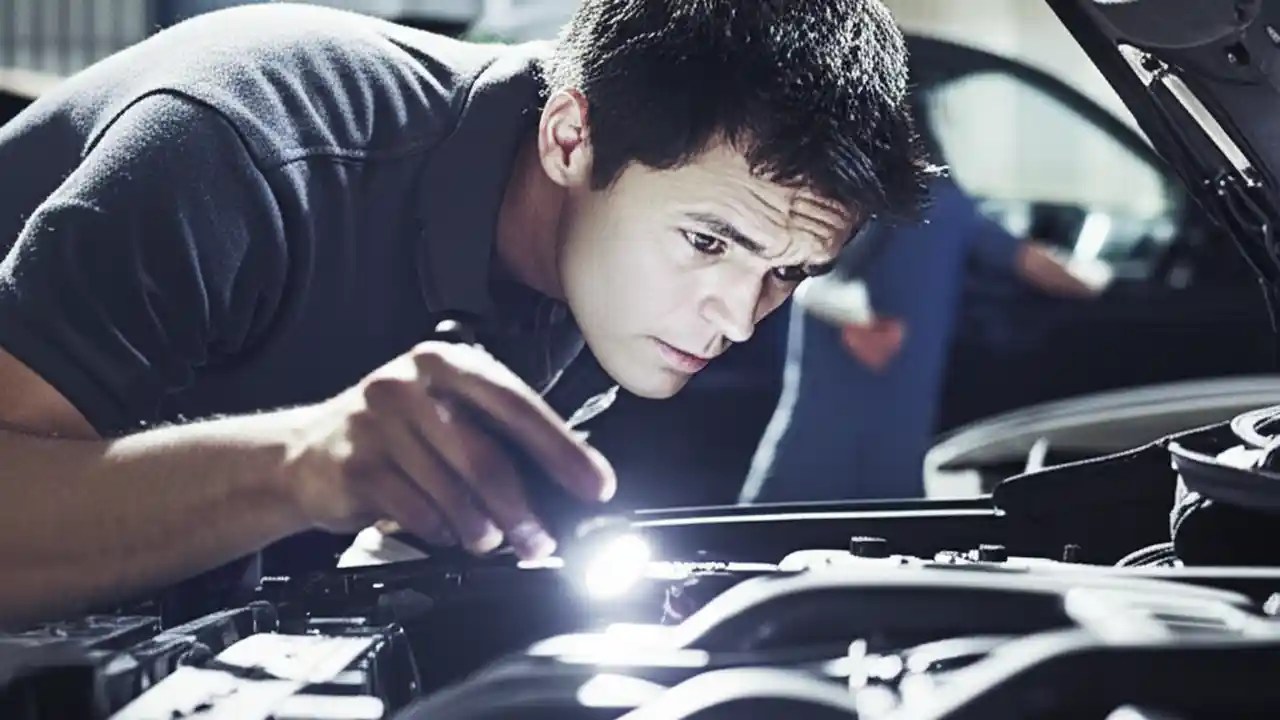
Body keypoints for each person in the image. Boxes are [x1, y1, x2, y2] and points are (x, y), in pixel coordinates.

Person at [0, 1, 930, 625]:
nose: (737, 318)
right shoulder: (243, 146)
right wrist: (296, 467)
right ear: (571, 138)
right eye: (709, 242)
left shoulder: (601, 281)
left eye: (788, 275)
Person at [740, 170, 1104, 504]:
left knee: (777, 526)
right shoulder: (942, 203)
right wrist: (1099, 282)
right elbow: (1034, 265)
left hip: (824, 424)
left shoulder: (836, 187)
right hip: (890, 427)